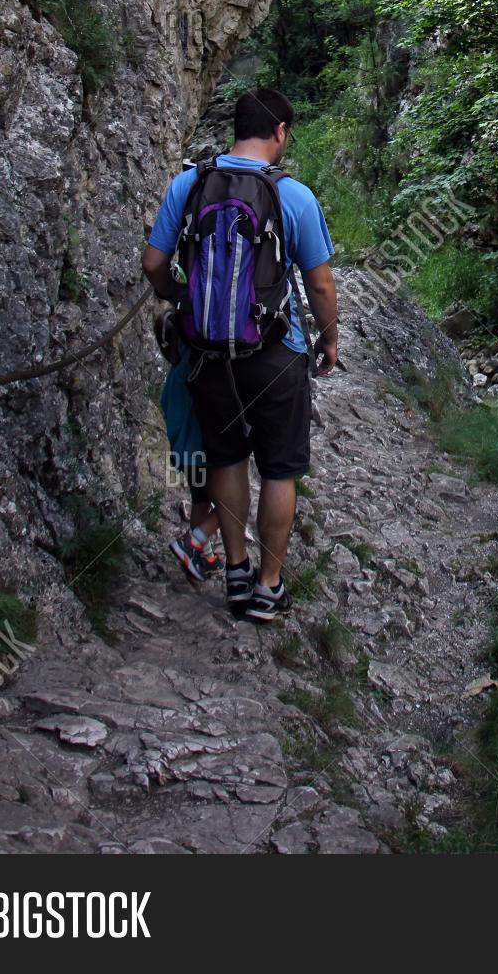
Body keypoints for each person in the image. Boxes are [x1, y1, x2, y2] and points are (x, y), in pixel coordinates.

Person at [142, 88, 338, 623]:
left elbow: (154, 261)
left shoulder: (190, 183)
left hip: (207, 353)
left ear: (237, 128)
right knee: (279, 468)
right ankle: (268, 587)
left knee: (226, 459)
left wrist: (177, 298)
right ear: (279, 132)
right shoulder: (292, 195)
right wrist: (329, 339)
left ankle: (234, 571)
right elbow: (319, 286)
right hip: (275, 354)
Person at [153, 308, 224, 583]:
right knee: (232, 505)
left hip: (185, 455)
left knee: (201, 500)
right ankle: (192, 541)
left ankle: (202, 557)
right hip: (204, 452)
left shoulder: (173, 379)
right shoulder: (195, 374)